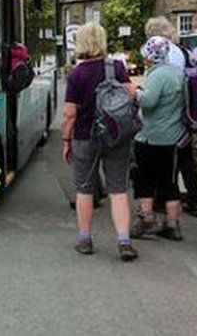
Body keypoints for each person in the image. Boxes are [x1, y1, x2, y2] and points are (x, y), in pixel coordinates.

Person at [62, 22, 139, 261]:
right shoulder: (115, 66)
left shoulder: (77, 74)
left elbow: (69, 113)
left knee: (84, 189)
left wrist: (66, 140)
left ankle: (85, 239)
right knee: (118, 189)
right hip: (115, 136)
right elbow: (131, 93)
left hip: (85, 136)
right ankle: (124, 241)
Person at [144, 16, 197, 217]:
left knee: (171, 161)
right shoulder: (180, 50)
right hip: (183, 110)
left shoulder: (166, 53)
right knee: (184, 159)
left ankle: (166, 201)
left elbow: (164, 87)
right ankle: (194, 199)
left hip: (171, 113)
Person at [131, 36, 188, 241]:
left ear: (150, 55)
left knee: (144, 179)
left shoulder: (157, 75)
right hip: (173, 137)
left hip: (150, 137)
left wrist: (135, 92)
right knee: (169, 182)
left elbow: (148, 102)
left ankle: (146, 219)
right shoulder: (177, 73)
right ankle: (172, 225)